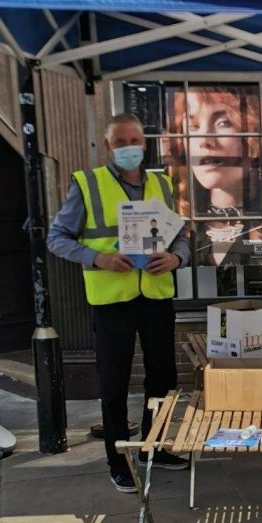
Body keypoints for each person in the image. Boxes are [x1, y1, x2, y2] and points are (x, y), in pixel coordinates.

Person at [47, 113, 190, 492]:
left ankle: (153, 447)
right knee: (114, 383)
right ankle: (119, 459)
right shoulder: (88, 184)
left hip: (156, 296)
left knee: (163, 380)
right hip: (112, 300)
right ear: (109, 146)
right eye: (120, 142)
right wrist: (97, 258)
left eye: (135, 141)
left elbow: (179, 235)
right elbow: (56, 238)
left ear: (145, 143)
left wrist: (177, 258)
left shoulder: (162, 182)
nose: (129, 147)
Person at [165, 87, 262, 289]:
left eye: (223, 122)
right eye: (193, 125)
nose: (205, 141)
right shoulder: (178, 222)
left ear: (257, 136)